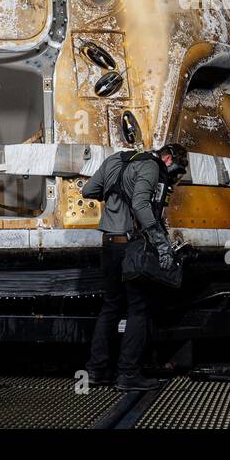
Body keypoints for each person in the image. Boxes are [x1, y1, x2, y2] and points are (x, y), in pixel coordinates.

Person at [82, 143, 186, 391]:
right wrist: (161, 244)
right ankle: (128, 374)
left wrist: (116, 197)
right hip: (131, 246)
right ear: (168, 158)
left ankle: (96, 371)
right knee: (138, 309)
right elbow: (141, 205)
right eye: (175, 171)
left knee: (110, 307)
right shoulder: (150, 166)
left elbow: (89, 190)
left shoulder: (115, 159)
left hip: (108, 243)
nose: (172, 179)